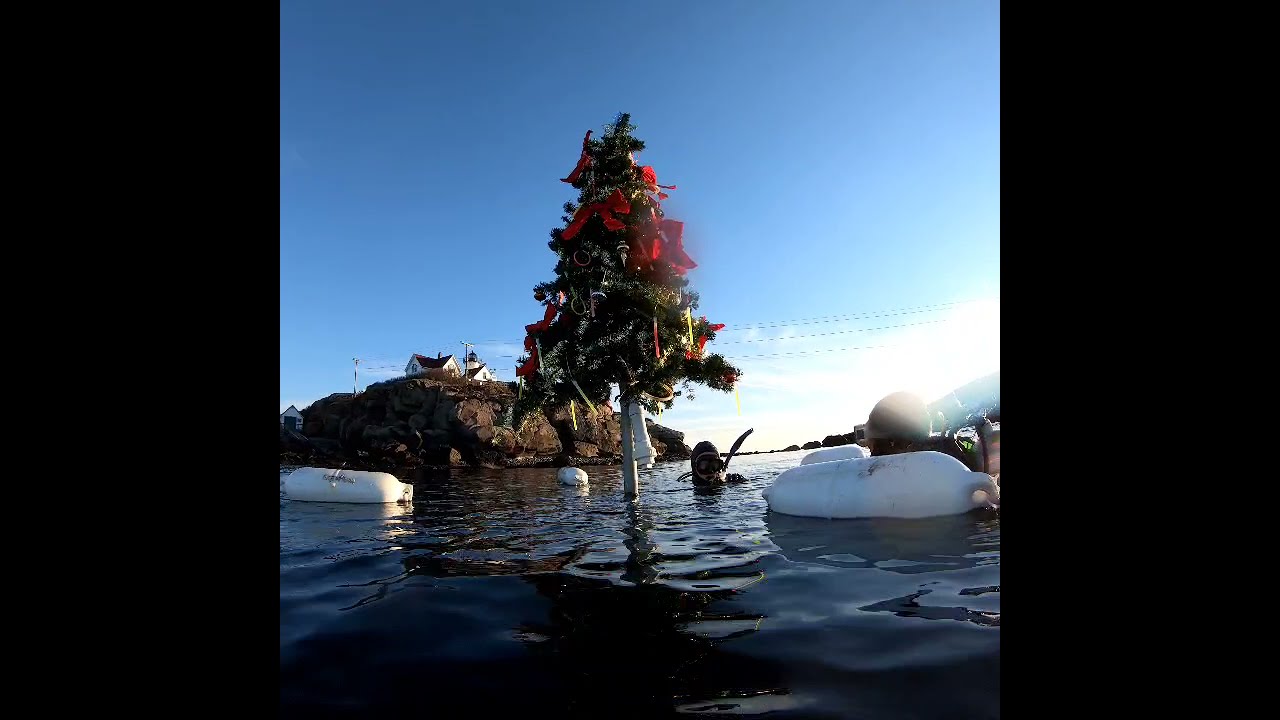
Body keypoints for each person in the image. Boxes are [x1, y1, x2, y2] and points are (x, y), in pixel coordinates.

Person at [864, 391, 995, 475]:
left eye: (875, 448)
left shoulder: (881, 475)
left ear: (894, 443)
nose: (873, 456)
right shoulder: (949, 461)